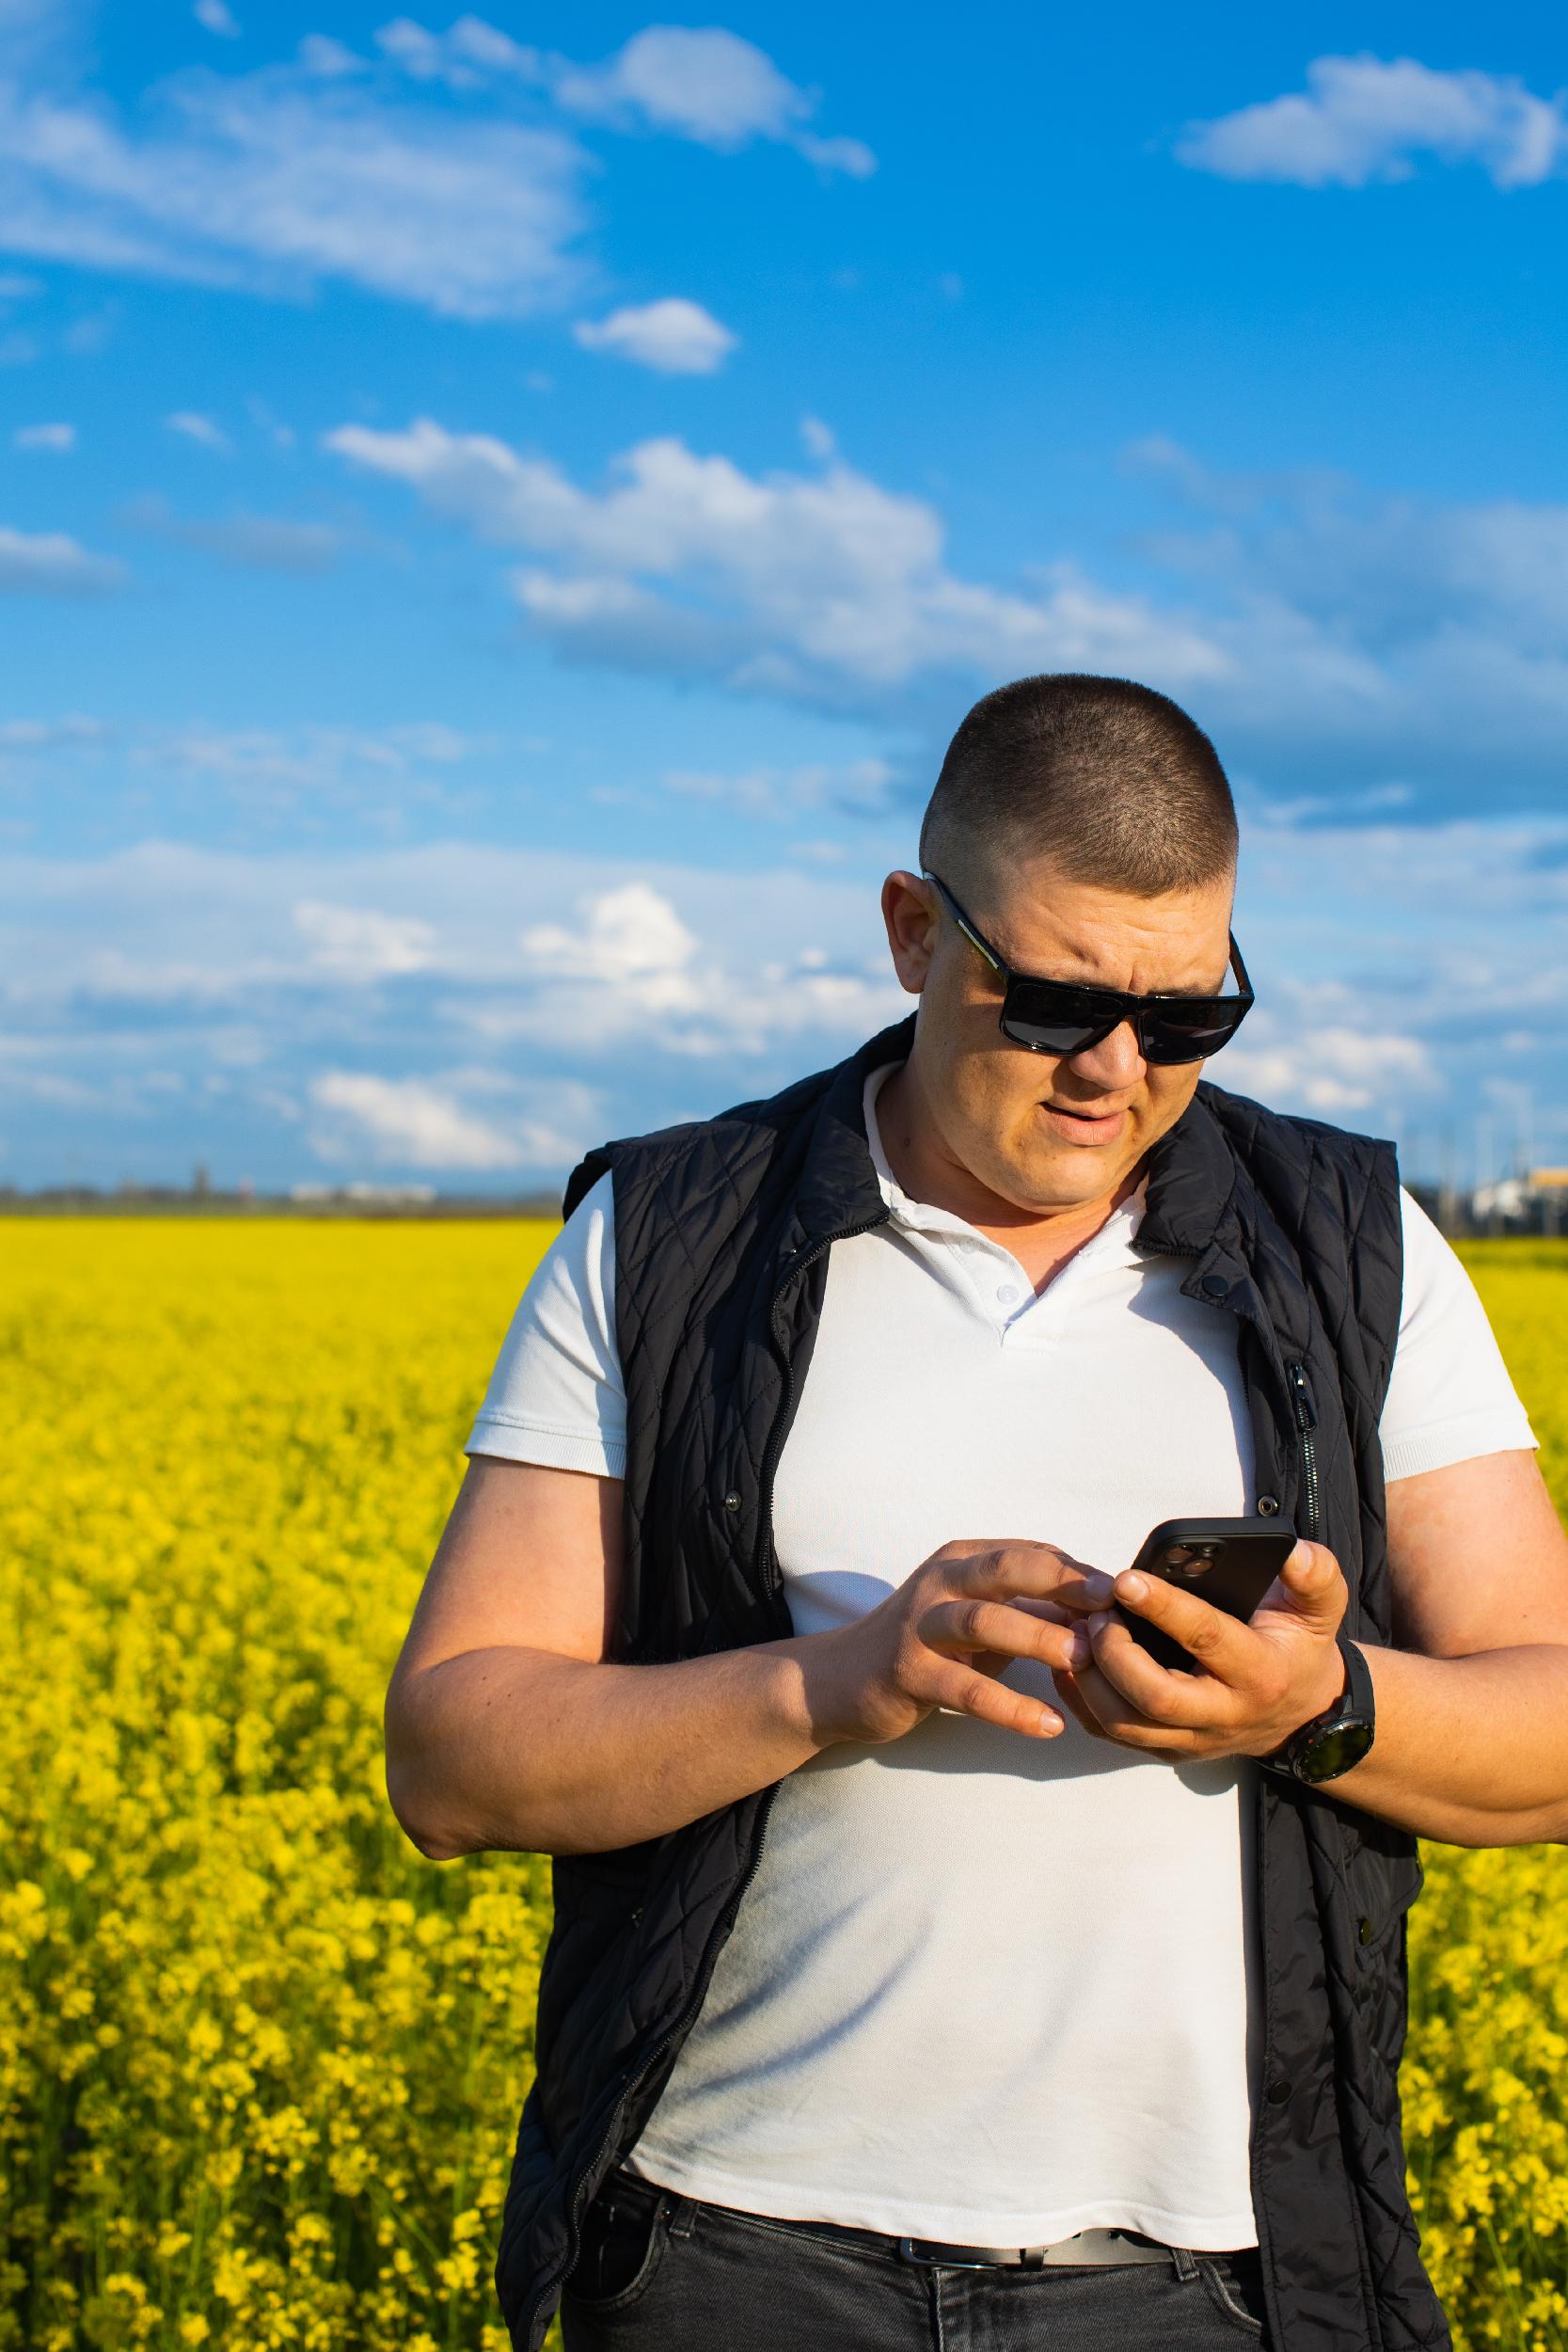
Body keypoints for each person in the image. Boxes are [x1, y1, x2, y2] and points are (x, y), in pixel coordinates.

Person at [383, 674, 1568, 2352]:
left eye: (1185, 1018)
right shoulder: (666, 1242)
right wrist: (836, 1682)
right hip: (733, 2257)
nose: (1115, 1070)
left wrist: (1319, 1702)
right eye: (1055, 1000)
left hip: (1214, 2281)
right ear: (911, 930)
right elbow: (449, 1760)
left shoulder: (1357, 1253)